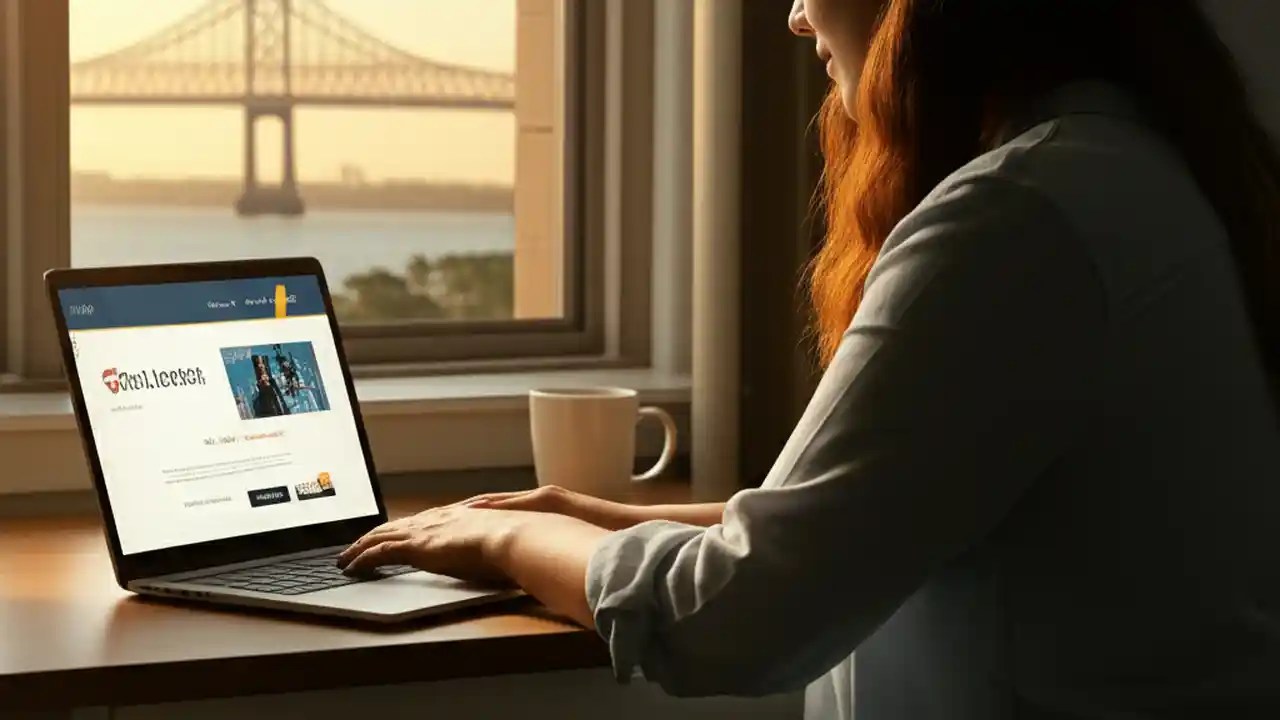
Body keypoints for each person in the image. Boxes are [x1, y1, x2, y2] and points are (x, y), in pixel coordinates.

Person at [338, 1, 1280, 717]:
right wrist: (603, 516)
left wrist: (503, 542)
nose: (793, 16)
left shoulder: (1015, 222)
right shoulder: (1139, 172)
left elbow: (734, 617)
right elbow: (896, 510)